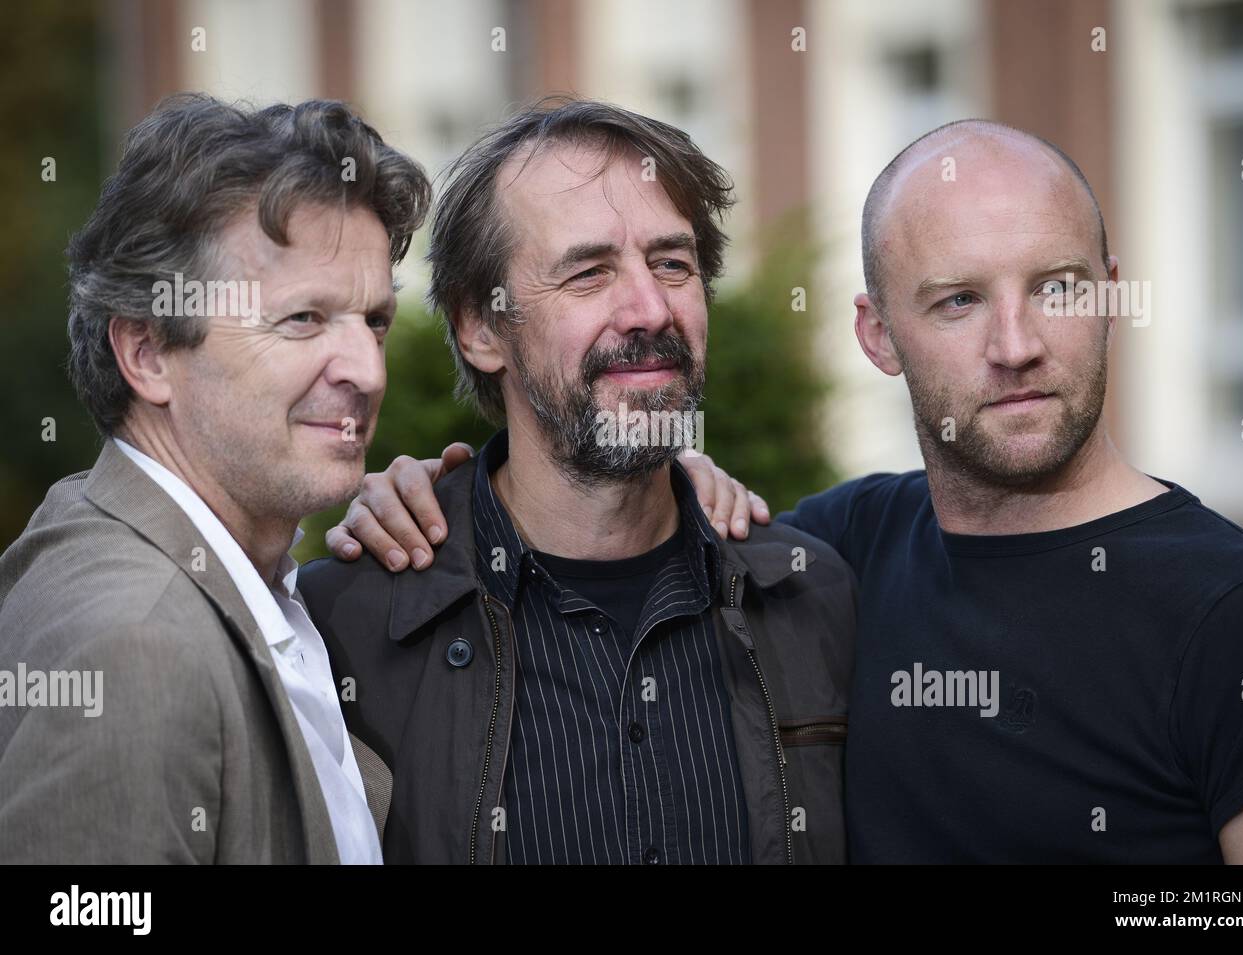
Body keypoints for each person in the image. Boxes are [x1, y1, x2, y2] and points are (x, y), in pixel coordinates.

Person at [335, 119, 1243, 864]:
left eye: (673, 263)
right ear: (877, 334)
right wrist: (422, 494)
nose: (1017, 345)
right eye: (959, 300)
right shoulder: (841, 552)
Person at [297, 99, 858, 864]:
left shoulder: (811, 600)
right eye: (589, 273)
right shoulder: (341, 633)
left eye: (672, 263)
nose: (649, 307)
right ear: (479, 327)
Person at [0, 93, 431, 863]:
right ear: (148, 352)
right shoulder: (138, 645)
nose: (367, 370)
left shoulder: (226, 576)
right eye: (302, 319)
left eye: (374, 320)